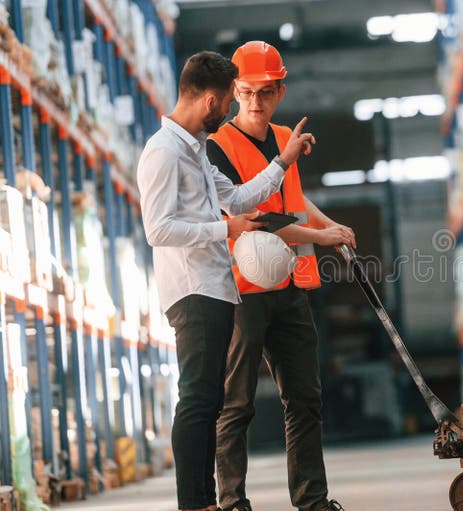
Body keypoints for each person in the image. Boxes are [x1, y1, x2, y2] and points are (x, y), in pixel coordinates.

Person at [137, 50, 315, 511]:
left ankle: (205, 501)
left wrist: (284, 159)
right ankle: (195, 503)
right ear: (214, 100)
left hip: (216, 287)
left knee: (208, 399)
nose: (231, 110)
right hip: (192, 289)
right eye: (229, 100)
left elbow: (237, 198)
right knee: (197, 400)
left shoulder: (193, 149)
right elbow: (157, 229)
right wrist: (225, 230)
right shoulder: (163, 151)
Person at [207, 41, 355, 511]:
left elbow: (291, 198)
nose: (256, 102)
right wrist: (321, 236)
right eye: (247, 92)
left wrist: (327, 224)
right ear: (234, 90)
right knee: (236, 405)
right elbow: (256, 217)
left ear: (280, 92)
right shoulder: (218, 148)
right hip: (243, 291)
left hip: (290, 286)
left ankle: (312, 501)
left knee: (305, 399)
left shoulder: (285, 135)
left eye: (266, 92)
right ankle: (232, 503)